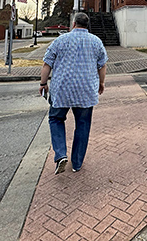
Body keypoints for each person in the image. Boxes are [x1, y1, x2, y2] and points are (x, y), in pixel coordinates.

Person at [39, 12, 107, 174]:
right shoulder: (96, 42)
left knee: (55, 118)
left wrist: (43, 83)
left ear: (74, 24)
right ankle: (76, 163)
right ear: (87, 25)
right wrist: (101, 82)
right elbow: (102, 65)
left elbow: (47, 64)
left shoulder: (60, 40)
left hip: (61, 89)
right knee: (83, 125)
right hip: (85, 90)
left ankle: (61, 153)